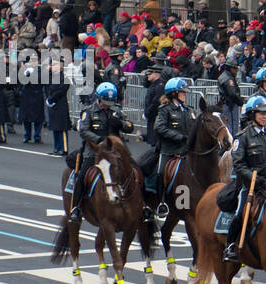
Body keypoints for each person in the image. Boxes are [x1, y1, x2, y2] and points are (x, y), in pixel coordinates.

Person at [221, 95, 266, 263]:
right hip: (253, 186)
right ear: (252, 114)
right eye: (260, 113)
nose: (264, 116)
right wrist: (258, 179)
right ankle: (230, 245)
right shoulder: (243, 137)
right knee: (241, 214)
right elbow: (239, 164)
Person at [68, 83, 135, 223]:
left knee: (136, 171)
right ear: (99, 99)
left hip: (116, 152)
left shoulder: (116, 111)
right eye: (105, 102)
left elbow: (130, 127)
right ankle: (75, 208)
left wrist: (121, 124)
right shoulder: (89, 111)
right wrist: (99, 140)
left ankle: (143, 205)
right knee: (82, 176)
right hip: (94, 151)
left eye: (110, 102)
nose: (107, 105)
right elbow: (84, 131)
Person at [151, 77, 197, 220]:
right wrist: (179, 137)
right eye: (182, 92)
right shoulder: (165, 109)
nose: (185, 94)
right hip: (169, 150)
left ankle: (190, 201)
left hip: (186, 151)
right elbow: (159, 127)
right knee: (160, 173)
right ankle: (161, 202)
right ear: (173, 93)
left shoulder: (189, 110)